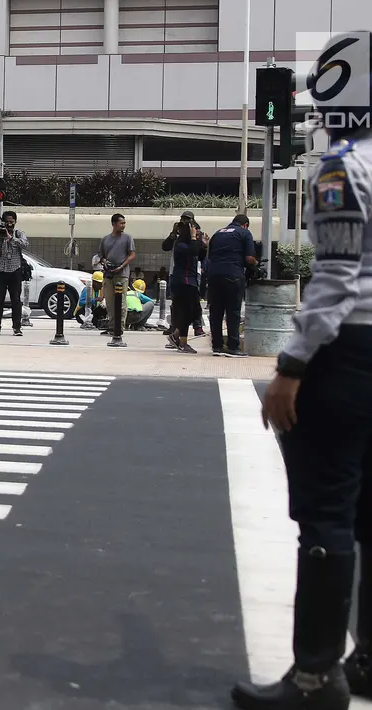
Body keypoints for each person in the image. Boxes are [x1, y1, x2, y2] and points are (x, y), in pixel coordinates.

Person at [232, 30, 372, 710]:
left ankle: (315, 678)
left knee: (325, 514)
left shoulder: (342, 168)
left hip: (346, 352)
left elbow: (337, 279)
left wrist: (290, 365)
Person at [206, 214, 258, 357]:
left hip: (214, 275)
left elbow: (210, 257)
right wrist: (256, 263)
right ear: (245, 225)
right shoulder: (245, 233)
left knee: (216, 312)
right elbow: (249, 258)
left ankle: (217, 346)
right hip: (233, 275)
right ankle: (233, 347)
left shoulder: (218, 233)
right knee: (233, 312)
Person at [166, 219, 207, 353]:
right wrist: (194, 238)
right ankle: (181, 340)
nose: (197, 235)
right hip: (183, 282)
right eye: (195, 232)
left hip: (191, 281)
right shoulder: (180, 245)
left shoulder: (191, 244)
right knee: (187, 312)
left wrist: (204, 245)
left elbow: (200, 256)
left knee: (194, 312)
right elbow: (193, 251)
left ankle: (177, 337)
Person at [0, 211, 28, 336]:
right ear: (3, 222)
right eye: (7, 222)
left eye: (12, 222)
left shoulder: (18, 233)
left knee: (15, 300)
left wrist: (10, 237)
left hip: (14, 271)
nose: (9, 224)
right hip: (0, 271)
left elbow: (25, 244)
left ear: (15, 222)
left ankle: (17, 328)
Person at [97, 213, 136, 334]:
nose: (123, 225)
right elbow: (100, 255)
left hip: (122, 274)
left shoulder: (128, 238)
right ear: (114, 224)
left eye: (124, 223)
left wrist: (121, 266)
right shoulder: (105, 239)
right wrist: (105, 262)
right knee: (109, 302)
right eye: (121, 223)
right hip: (108, 274)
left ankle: (120, 328)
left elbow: (132, 255)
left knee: (121, 302)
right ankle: (111, 326)